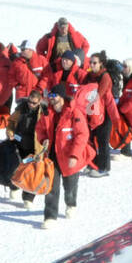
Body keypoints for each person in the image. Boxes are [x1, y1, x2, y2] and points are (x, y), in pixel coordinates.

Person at [36, 89, 93, 228]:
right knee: (51, 187)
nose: (52, 99)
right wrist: (43, 139)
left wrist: (74, 155)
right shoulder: (47, 113)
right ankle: (50, 216)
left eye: (54, 96)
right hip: (52, 156)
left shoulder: (74, 113)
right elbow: (39, 129)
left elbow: (82, 134)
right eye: (50, 97)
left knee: (70, 187)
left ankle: (71, 204)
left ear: (62, 97)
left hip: (70, 157)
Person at [82, 51, 120, 176]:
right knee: (91, 139)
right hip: (91, 111)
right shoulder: (89, 76)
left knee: (103, 140)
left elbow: (99, 94)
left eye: (94, 63)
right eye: (90, 62)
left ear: (101, 64)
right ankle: (92, 164)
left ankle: (104, 168)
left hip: (105, 111)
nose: (91, 65)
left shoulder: (105, 77)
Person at [7, 88, 45, 207]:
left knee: (31, 172)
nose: (31, 104)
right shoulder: (21, 109)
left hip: (34, 148)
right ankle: (14, 187)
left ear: (39, 102)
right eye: (29, 101)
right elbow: (11, 122)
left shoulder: (43, 113)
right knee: (16, 167)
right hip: (19, 144)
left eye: (34, 103)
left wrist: (45, 146)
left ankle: (28, 198)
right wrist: (10, 132)